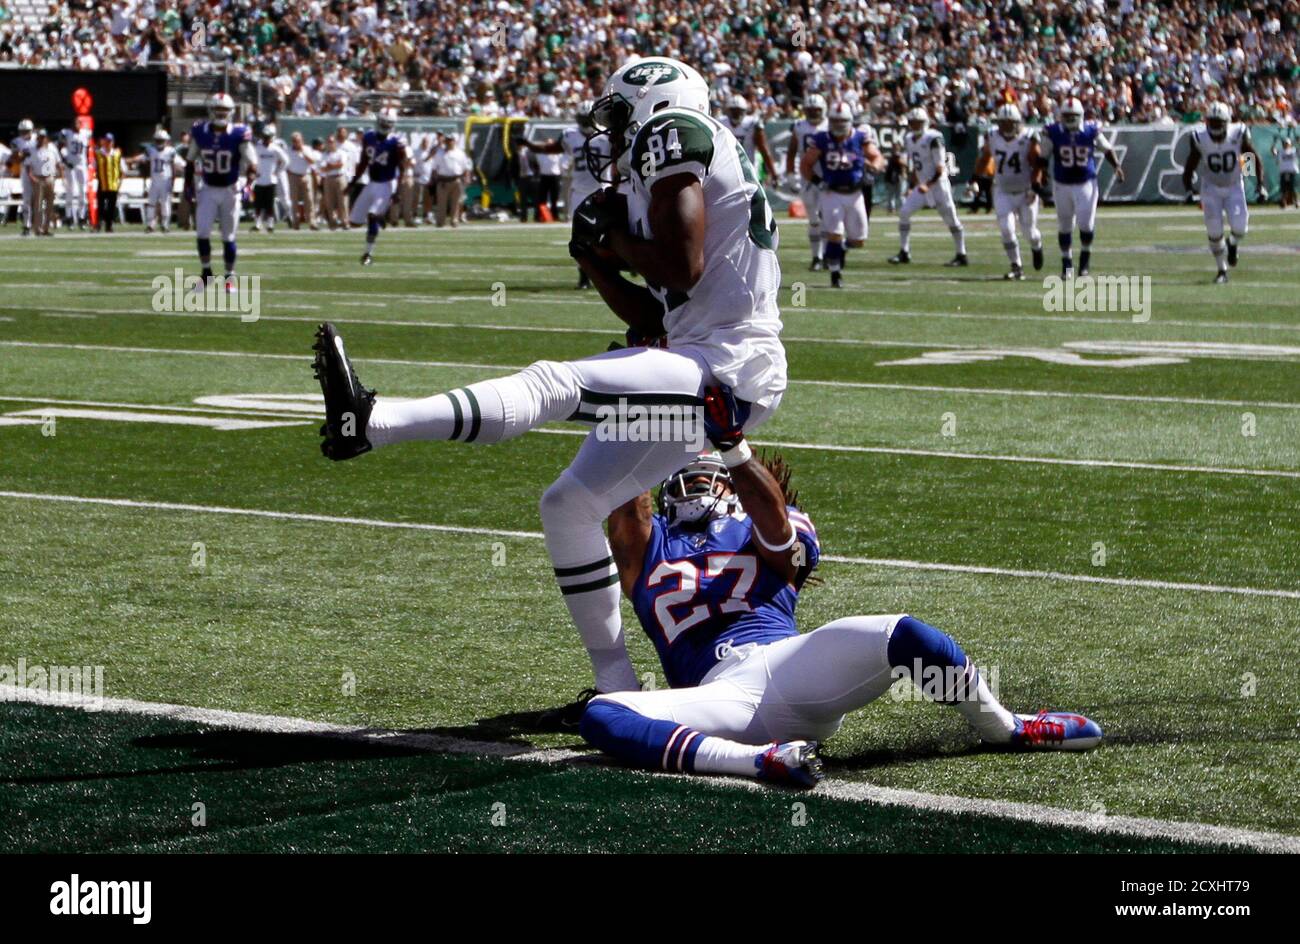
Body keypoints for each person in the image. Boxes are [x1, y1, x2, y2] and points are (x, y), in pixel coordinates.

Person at [312, 56, 786, 699]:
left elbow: (681, 265)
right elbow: (657, 313)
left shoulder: (674, 127)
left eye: (619, 117)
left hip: (726, 366)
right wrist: (597, 264)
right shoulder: (681, 156)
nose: (614, 135)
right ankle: (617, 683)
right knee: (568, 506)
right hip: (700, 358)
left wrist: (616, 240)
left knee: (554, 383)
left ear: (652, 105)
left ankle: (371, 421)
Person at [576, 438, 1104, 788]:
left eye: (708, 475)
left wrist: (733, 442)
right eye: (681, 476)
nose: (691, 483)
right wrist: (646, 406)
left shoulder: (765, 528)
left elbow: (777, 530)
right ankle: (759, 763)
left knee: (906, 634)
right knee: (601, 715)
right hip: (719, 695)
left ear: (738, 486)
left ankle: (1005, 727)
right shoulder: (647, 550)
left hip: (788, 666)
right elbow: (628, 499)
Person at [521, 102, 611, 286]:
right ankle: (584, 276)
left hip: (602, 189)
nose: (585, 122)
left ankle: (613, 270)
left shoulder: (607, 136)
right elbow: (550, 149)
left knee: (609, 235)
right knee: (581, 237)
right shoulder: (570, 135)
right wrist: (529, 145)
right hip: (579, 191)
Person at [1038, 97, 1126, 278]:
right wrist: (1042, 173)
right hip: (1062, 183)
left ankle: (1084, 263)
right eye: (1067, 116)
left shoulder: (1090, 131)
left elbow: (1107, 149)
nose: (1070, 119)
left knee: (1086, 225)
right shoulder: (1052, 131)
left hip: (1086, 183)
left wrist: (1116, 166)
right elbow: (1043, 156)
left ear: (1081, 116)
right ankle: (1067, 265)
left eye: (1073, 116)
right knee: (1064, 226)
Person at [800, 102, 884, 288]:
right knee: (834, 233)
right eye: (835, 121)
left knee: (859, 240)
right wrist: (817, 182)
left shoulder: (860, 137)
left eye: (842, 121)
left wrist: (874, 168)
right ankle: (835, 273)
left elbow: (877, 157)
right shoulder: (821, 139)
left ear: (849, 121)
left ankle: (840, 250)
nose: (838, 125)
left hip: (855, 194)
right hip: (831, 193)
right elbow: (805, 164)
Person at [1182, 102, 1262, 284]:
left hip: (1234, 185)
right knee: (1214, 231)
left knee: (1241, 229)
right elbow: (1190, 165)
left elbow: (1249, 156)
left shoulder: (1238, 133)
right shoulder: (1200, 138)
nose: (1216, 127)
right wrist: (1189, 189)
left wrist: (1257, 182)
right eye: (1213, 122)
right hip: (1210, 188)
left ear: (1227, 122)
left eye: (1219, 123)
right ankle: (1221, 270)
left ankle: (1232, 244)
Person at [186, 92, 257, 290]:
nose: (220, 113)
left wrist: (248, 185)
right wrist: (188, 186)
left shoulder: (238, 133)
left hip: (230, 189)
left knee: (228, 237)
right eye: (218, 109)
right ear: (211, 110)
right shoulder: (200, 132)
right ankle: (206, 273)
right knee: (202, 233)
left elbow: (253, 164)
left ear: (231, 112)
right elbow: (190, 161)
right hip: (208, 188)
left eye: (224, 110)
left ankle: (229, 277)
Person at [889, 107, 968, 266]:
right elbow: (915, 166)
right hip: (923, 185)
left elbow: (940, 168)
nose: (915, 125)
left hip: (938, 185)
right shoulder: (909, 138)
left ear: (924, 123)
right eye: (913, 122)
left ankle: (961, 254)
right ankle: (904, 252)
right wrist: (912, 184)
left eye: (918, 123)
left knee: (952, 220)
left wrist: (928, 184)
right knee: (904, 212)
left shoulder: (934, 138)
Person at [981, 103, 1044, 280]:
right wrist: (976, 177)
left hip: (1025, 191)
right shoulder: (992, 136)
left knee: (1029, 233)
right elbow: (985, 157)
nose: (1006, 126)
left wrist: (1035, 187)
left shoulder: (1028, 137)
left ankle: (1036, 246)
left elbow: (1038, 164)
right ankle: (1016, 266)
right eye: (1004, 123)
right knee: (1006, 229)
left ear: (1017, 122)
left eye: (1010, 123)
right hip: (1002, 190)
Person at [348, 109, 408, 265]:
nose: (385, 125)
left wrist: (398, 190)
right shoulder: (368, 137)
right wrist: (353, 181)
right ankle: (381, 216)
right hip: (372, 182)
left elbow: (402, 168)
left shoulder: (397, 142)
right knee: (354, 223)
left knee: (372, 215)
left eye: (388, 123)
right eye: (384, 122)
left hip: (387, 182)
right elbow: (363, 162)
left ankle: (367, 254)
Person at [785, 94, 828, 270]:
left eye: (816, 110)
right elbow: (792, 150)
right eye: (810, 110)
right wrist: (790, 173)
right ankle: (816, 257)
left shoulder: (829, 125)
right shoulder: (799, 126)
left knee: (826, 218)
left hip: (826, 176)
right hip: (807, 178)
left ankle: (825, 255)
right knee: (814, 220)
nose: (813, 113)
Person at [126, 129, 179, 233]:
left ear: (166, 140)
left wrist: (173, 180)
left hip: (165, 181)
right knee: (151, 203)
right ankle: (150, 225)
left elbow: (174, 166)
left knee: (165, 203)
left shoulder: (171, 151)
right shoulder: (151, 150)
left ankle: (165, 224)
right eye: (158, 140)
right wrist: (129, 159)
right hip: (155, 181)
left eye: (161, 140)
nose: (159, 142)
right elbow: (141, 158)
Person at [720, 94, 777, 179]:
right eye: (734, 111)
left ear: (744, 111)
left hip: (748, 171)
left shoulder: (752, 123)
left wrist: (773, 172)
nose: (736, 114)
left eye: (739, 111)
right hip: (726, 170)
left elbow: (763, 148)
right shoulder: (720, 123)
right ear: (728, 111)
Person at [252, 124, 288, 233]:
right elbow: (252, 160)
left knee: (269, 204)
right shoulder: (257, 148)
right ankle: (257, 224)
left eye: (268, 137)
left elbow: (285, 161)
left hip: (271, 180)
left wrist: (277, 172)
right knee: (258, 204)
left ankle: (270, 225)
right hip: (259, 180)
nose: (266, 139)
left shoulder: (275, 149)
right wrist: (255, 171)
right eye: (265, 136)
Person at [24, 128, 59, 236]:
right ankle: (37, 228)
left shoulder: (52, 148)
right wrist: (32, 177)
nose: (41, 139)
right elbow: (28, 166)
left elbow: (58, 162)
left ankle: (46, 228)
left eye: (43, 137)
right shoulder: (32, 150)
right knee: (38, 205)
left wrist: (57, 177)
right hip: (38, 178)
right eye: (39, 137)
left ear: (46, 138)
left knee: (49, 206)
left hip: (50, 178)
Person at [431, 132, 470, 228]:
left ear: (454, 141)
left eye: (450, 140)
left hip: (456, 180)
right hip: (443, 180)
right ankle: (440, 221)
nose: (448, 142)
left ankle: (454, 220)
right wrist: (434, 179)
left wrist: (466, 178)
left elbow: (466, 167)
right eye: (447, 140)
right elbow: (435, 167)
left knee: (456, 202)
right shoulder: (440, 153)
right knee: (441, 202)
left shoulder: (460, 153)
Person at [59, 126, 91, 230]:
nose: (77, 125)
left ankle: (82, 217)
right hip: (70, 165)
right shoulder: (66, 132)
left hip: (82, 164)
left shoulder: (85, 133)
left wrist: (90, 161)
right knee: (70, 191)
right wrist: (65, 159)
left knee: (83, 192)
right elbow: (60, 146)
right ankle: (69, 217)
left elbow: (89, 148)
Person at [286, 132, 320, 230]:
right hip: (293, 176)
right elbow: (285, 163)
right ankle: (296, 223)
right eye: (295, 141)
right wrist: (289, 173)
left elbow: (312, 161)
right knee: (294, 200)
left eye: (299, 141)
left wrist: (303, 153)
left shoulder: (307, 149)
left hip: (306, 175)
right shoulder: (288, 150)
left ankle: (312, 222)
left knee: (309, 200)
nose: (297, 143)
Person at [12, 119, 37, 235]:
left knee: (40, 199)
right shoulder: (17, 141)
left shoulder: (38, 139)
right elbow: (15, 159)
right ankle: (27, 225)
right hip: (26, 171)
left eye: (26, 131)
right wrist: (22, 156)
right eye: (22, 131)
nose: (24, 133)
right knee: (27, 199)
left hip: (39, 171)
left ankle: (40, 224)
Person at [94, 133, 123, 233]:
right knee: (101, 206)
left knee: (111, 207)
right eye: (106, 141)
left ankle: (109, 225)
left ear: (112, 142)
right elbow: (93, 167)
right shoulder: (98, 154)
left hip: (113, 185)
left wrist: (120, 183)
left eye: (110, 141)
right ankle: (98, 224)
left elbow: (122, 170)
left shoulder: (117, 154)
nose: (108, 143)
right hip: (102, 184)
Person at [318, 136, 349, 229]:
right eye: (329, 142)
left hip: (340, 177)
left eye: (332, 142)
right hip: (328, 178)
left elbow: (340, 165)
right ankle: (332, 222)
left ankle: (345, 221)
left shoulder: (341, 153)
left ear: (335, 143)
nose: (330, 144)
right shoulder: (324, 154)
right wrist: (333, 165)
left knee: (343, 201)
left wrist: (330, 166)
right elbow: (322, 167)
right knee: (329, 201)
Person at [1273, 137, 1297, 209]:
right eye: (1285, 143)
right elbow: (1273, 151)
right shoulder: (1280, 151)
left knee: (1292, 188)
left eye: (1287, 143)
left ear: (1290, 144)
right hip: (1283, 172)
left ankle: (1296, 201)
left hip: (1292, 172)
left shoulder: (1293, 150)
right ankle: (1284, 202)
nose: (1286, 145)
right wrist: (1274, 142)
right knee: (1283, 189)